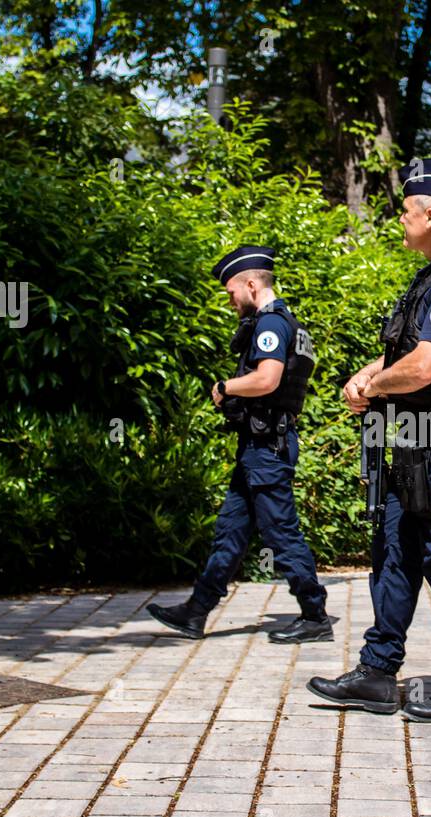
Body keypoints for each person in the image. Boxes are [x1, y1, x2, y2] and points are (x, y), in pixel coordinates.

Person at [307, 159, 431, 721]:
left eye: (406, 211)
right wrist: (369, 372)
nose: (399, 219)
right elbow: (405, 354)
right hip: (420, 437)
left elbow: (425, 366)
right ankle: (376, 672)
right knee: (396, 552)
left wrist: (374, 383)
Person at [146, 245, 331, 644]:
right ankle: (196, 611)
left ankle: (314, 614)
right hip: (258, 447)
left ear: (251, 284)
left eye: (231, 293)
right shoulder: (282, 323)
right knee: (230, 531)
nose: (230, 302)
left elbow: (267, 379)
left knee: (281, 532)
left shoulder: (271, 325)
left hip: (268, 448)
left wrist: (224, 386)